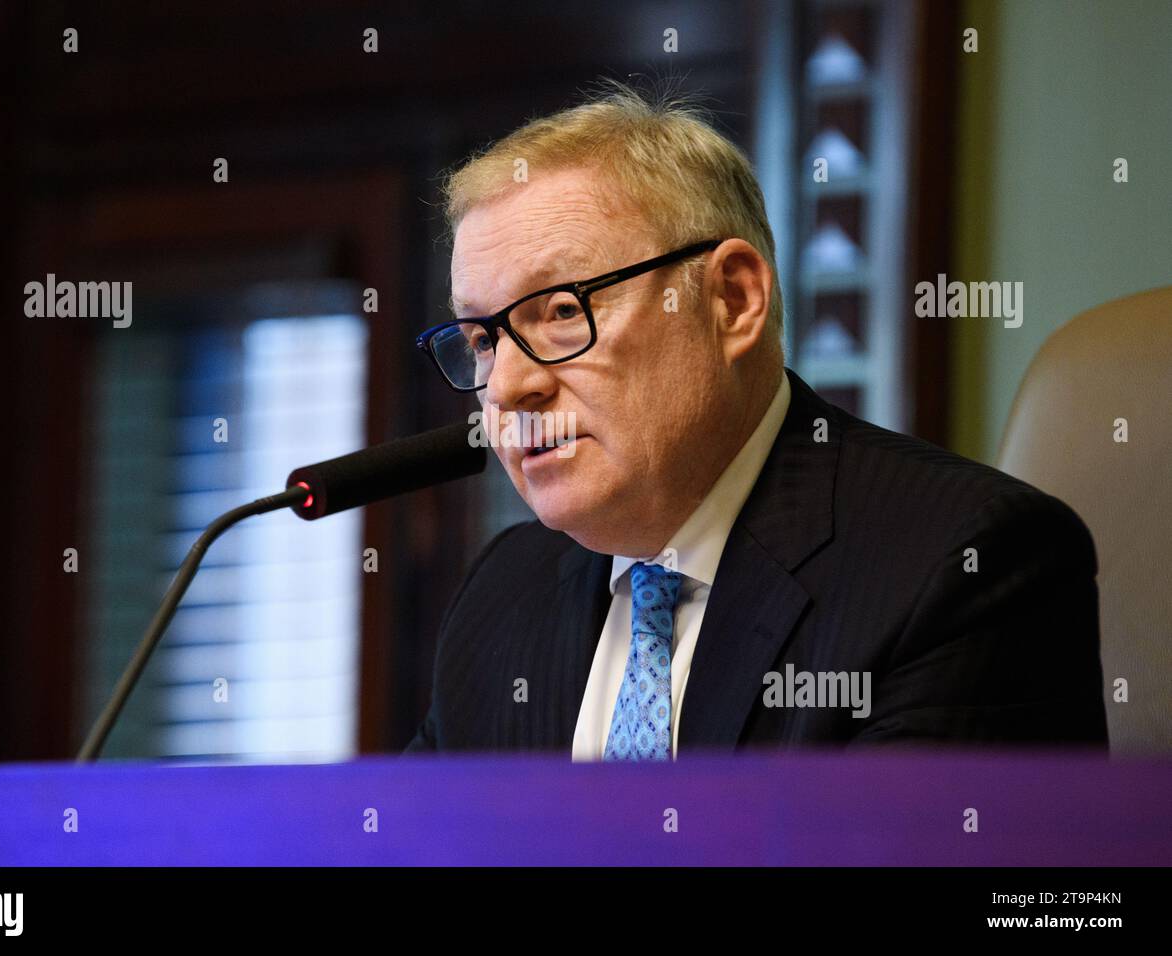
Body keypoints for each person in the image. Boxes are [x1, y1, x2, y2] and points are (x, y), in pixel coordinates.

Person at [406, 80, 1107, 759]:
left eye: (562, 313)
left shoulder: (959, 566)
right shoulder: (504, 591)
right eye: (482, 340)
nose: (506, 388)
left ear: (733, 301)